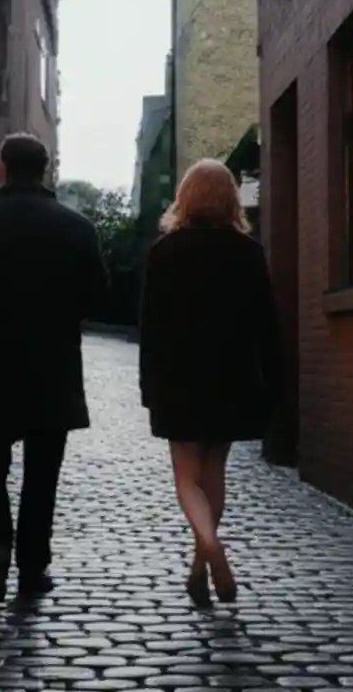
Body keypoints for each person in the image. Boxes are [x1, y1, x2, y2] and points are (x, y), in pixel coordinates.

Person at [0, 133, 108, 606]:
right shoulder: (77, 228)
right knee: (42, 475)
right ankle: (32, 566)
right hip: (51, 368)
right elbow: (96, 297)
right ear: (46, 169)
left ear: (2, 168)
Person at [138, 158, 284, 607]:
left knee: (186, 477)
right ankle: (200, 567)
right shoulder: (249, 252)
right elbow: (267, 325)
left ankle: (211, 549)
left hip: (177, 378)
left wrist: (148, 385)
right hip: (231, 376)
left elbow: (151, 327)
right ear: (230, 200)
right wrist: (274, 383)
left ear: (185, 198)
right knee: (214, 471)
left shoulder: (164, 253)